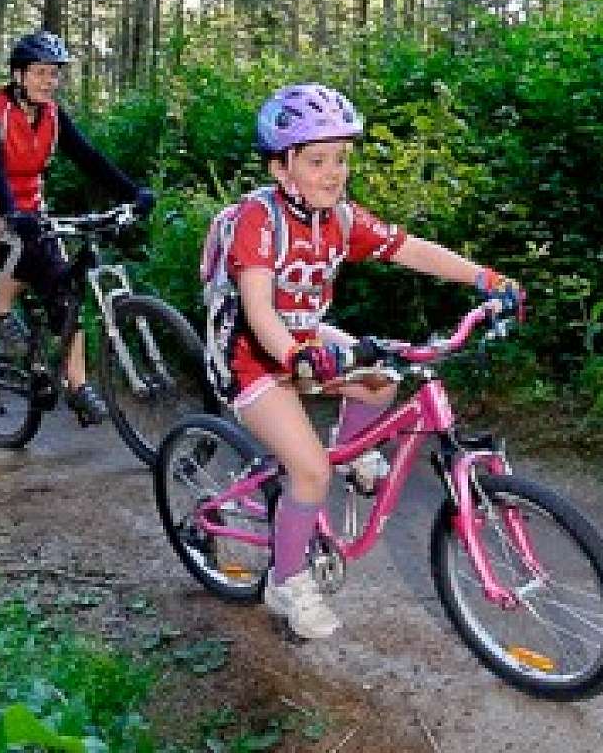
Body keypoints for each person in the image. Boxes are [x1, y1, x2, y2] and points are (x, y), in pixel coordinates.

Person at [199, 82, 522, 639]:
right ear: (282, 169)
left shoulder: (339, 220)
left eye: (342, 159)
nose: (334, 172)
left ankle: (347, 455)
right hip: (250, 355)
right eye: (317, 161)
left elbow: (411, 249)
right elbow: (257, 306)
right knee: (308, 471)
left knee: (379, 383)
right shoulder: (260, 221)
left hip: (305, 339)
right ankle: (287, 580)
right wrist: (295, 355)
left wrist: (483, 277)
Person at [0, 31, 154, 426]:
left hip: (29, 212)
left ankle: (76, 386)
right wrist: (11, 212)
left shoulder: (54, 117)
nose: (48, 81)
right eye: (40, 73)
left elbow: (89, 158)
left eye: (54, 74)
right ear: (19, 75)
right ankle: (0, 312)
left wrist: (133, 193)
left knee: (66, 292)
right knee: (19, 245)